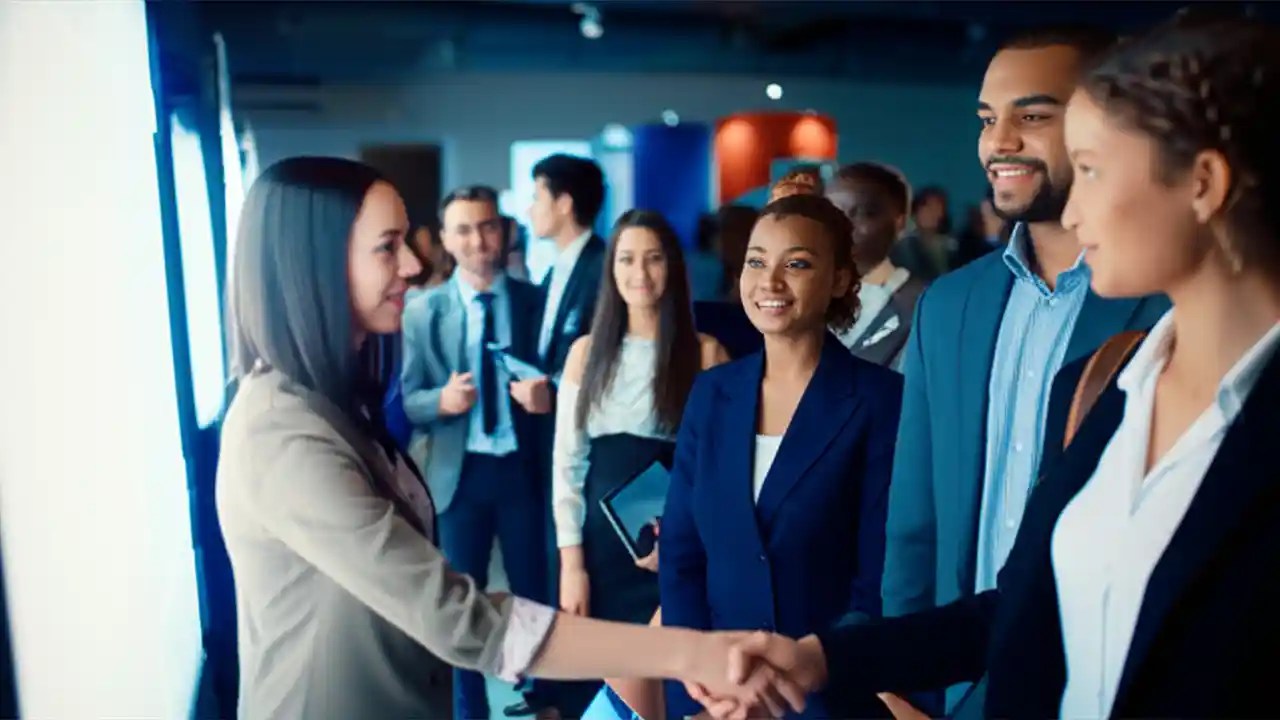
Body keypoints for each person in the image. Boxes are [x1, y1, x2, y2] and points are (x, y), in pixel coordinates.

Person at [722, 14, 1280, 719]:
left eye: (1097, 169)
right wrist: (827, 659)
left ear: (1202, 184)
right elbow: (1019, 604)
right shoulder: (1115, 384)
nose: (1075, 212)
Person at [216, 156, 805, 720]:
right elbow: (462, 621)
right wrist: (693, 653)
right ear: (316, 263)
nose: (414, 266)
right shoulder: (281, 431)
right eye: (387, 248)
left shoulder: (335, 400)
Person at [881, 24, 1169, 715]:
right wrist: (898, 683)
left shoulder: (1166, 306)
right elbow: (913, 525)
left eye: (1032, 116)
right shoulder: (948, 306)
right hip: (955, 689)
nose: (998, 142)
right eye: (987, 119)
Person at [661, 193, 904, 719]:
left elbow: (878, 577)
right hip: (718, 697)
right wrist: (700, 688)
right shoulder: (713, 393)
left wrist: (799, 686)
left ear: (840, 280)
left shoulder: (880, 400)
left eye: (796, 264)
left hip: (828, 697)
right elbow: (682, 556)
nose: (769, 282)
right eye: (756, 261)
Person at [551, 210, 730, 717]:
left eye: (653, 259)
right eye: (627, 260)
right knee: (597, 688)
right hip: (600, 551)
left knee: (666, 684)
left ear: (673, 267)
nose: (640, 274)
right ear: (611, 269)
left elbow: (716, 473)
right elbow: (567, 464)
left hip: (671, 546)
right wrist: (572, 565)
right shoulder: (586, 354)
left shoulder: (705, 353)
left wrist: (680, 540)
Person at [399, 185, 553, 720]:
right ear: (445, 239)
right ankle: (469, 713)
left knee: (534, 595)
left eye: (487, 226)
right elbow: (407, 400)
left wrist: (547, 396)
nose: (477, 239)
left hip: (521, 472)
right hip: (456, 478)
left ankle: (537, 703)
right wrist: (439, 401)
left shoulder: (537, 302)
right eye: (462, 229)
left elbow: (565, 384)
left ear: (505, 230)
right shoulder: (423, 310)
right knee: (458, 606)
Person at [824, 162, 927, 368]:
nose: (843, 226)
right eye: (832, 212)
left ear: (900, 222)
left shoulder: (924, 305)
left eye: (863, 213)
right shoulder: (805, 294)